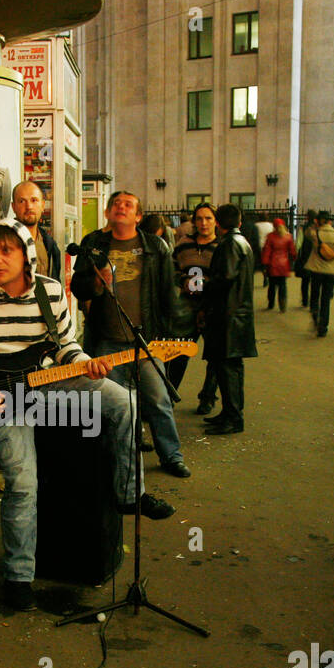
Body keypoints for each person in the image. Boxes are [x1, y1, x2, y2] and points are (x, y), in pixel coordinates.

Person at [0, 220, 172, 611]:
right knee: (23, 485)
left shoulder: (50, 291)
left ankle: (129, 493)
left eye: (6, 251)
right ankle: (19, 577)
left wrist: (85, 363)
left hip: (44, 380)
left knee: (123, 401)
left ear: (27, 255)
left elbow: (64, 346)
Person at [70, 191, 191, 478]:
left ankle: (171, 455)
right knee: (113, 406)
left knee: (159, 400)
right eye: (116, 204)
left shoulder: (155, 246)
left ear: (138, 216)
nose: (121, 207)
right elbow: (78, 287)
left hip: (146, 341)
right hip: (106, 341)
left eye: (128, 205)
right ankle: (116, 460)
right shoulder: (93, 244)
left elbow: (166, 294)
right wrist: (98, 283)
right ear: (108, 213)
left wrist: (166, 337)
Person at [201, 204, 256, 435]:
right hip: (236, 315)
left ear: (219, 224)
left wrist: (206, 286)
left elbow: (226, 277)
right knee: (231, 368)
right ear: (239, 222)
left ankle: (233, 417)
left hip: (228, 316)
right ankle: (230, 412)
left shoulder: (230, 244)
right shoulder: (241, 242)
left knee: (228, 369)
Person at [172, 203, 218, 407]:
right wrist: (182, 280)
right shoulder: (184, 244)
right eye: (199, 218)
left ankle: (207, 397)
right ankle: (169, 396)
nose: (203, 223)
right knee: (178, 353)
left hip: (212, 307)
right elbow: (172, 269)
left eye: (208, 218)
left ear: (215, 221)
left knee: (214, 356)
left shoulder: (222, 246)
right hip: (186, 305)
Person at [302, 211, 334, 337]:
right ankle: (323, 327)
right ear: (330, 221)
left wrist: (314, 225)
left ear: (318, 221)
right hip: (331, 271)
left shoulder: (314, 233)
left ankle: (314, 314)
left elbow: (306, 233)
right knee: (325, 299)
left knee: (314, 294)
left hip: (316, 269)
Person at [261, 219, 296, 313]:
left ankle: (271, 303)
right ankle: (282, 304)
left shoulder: (270, 236)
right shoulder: (288, 237)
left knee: (272, 285)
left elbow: (267, 251)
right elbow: (292, 251)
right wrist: (294, 259)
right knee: (283, 285)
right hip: (284, 264)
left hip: (273, 264)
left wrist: (264, 263)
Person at [296, 210, 318, 308]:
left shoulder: (303, 228)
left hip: (305, 256)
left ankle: (305, 301)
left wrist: (296, 253)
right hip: (316, 256)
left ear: (307, 217)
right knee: (315, 280)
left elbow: (298, 243)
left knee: (305, 280)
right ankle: (314, 301)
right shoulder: (318, 228)